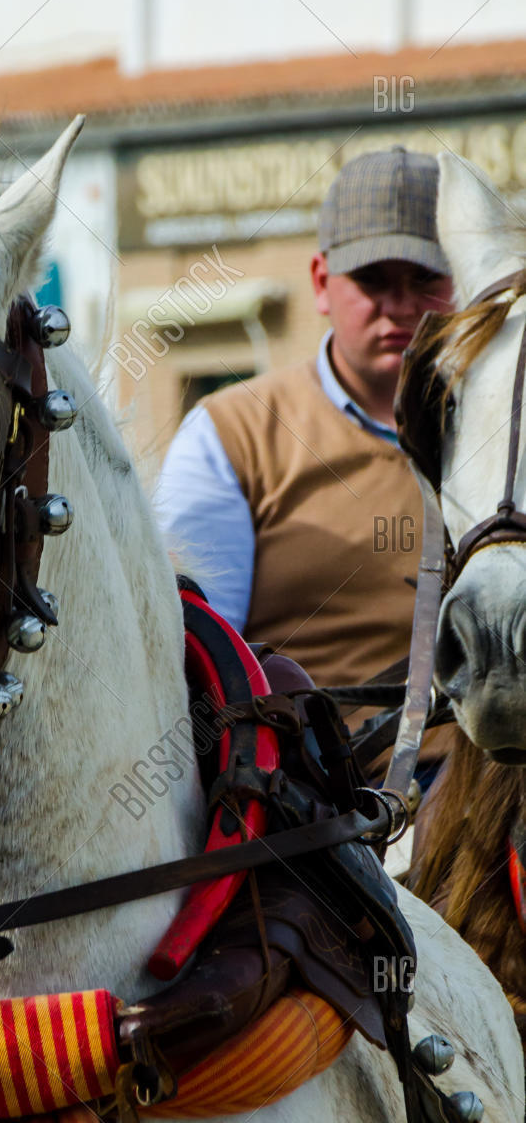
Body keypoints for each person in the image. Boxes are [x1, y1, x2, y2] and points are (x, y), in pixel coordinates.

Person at [155, 146, 453, 771]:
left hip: (495, 792)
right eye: (373, 280)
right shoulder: (231, 433)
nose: (400, 307)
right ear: (321, 282)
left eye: (425, 280)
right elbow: (189, 655)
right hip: (319, 811)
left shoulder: (512, 434)